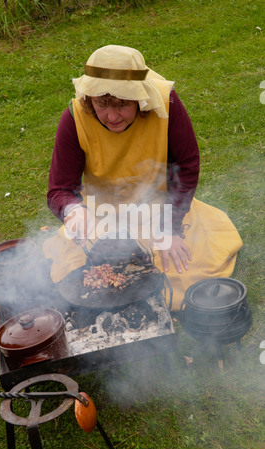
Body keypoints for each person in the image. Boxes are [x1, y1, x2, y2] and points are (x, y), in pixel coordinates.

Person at [43, 45, 242, 311]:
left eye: (123, 105)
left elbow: (186, 165)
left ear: (140, 98)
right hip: (100, 216)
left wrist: (171, 228)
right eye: (102, 105)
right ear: (90, 99)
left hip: (160, 208)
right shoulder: (75, 116)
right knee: (75, 269)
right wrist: (73, 210)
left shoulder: (165, 102)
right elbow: (59, 188)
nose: (112, 116)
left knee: (186, 270)